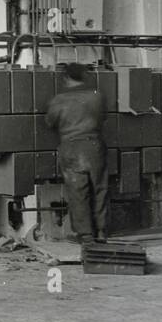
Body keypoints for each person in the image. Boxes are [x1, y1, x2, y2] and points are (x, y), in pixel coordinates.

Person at [44, 62, 108, 244]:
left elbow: (49, 122)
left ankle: (86, 235)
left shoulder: (59, 100)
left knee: (77, 192)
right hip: (95, 146)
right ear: (84, 76)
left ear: (66, 78)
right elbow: (104, 118)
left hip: (71, 148)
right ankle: (102, 231)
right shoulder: (96, 97)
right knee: (100, 189)